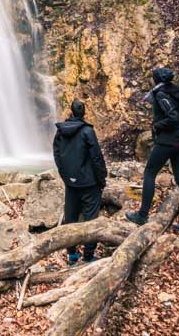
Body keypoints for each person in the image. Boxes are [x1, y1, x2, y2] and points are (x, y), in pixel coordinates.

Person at [125, 67, 179, 238]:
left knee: (149, 173)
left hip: (166, 141)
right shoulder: (178, 91)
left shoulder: (160, 94)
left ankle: (142, 215)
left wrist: (157, 126)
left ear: (157, 80)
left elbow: (172, 116)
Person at [53, 99, 107, 266]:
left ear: (71, 112)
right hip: (89, 182)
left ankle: (72, 255)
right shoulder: (87, 131)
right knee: (91, 218)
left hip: (71, 182)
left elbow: (56, 155)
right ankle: (88, 255)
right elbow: (96, 157)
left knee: (71, 217)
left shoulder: (60, 131)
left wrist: (65, 176)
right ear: (83, 113)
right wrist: (102, 178)